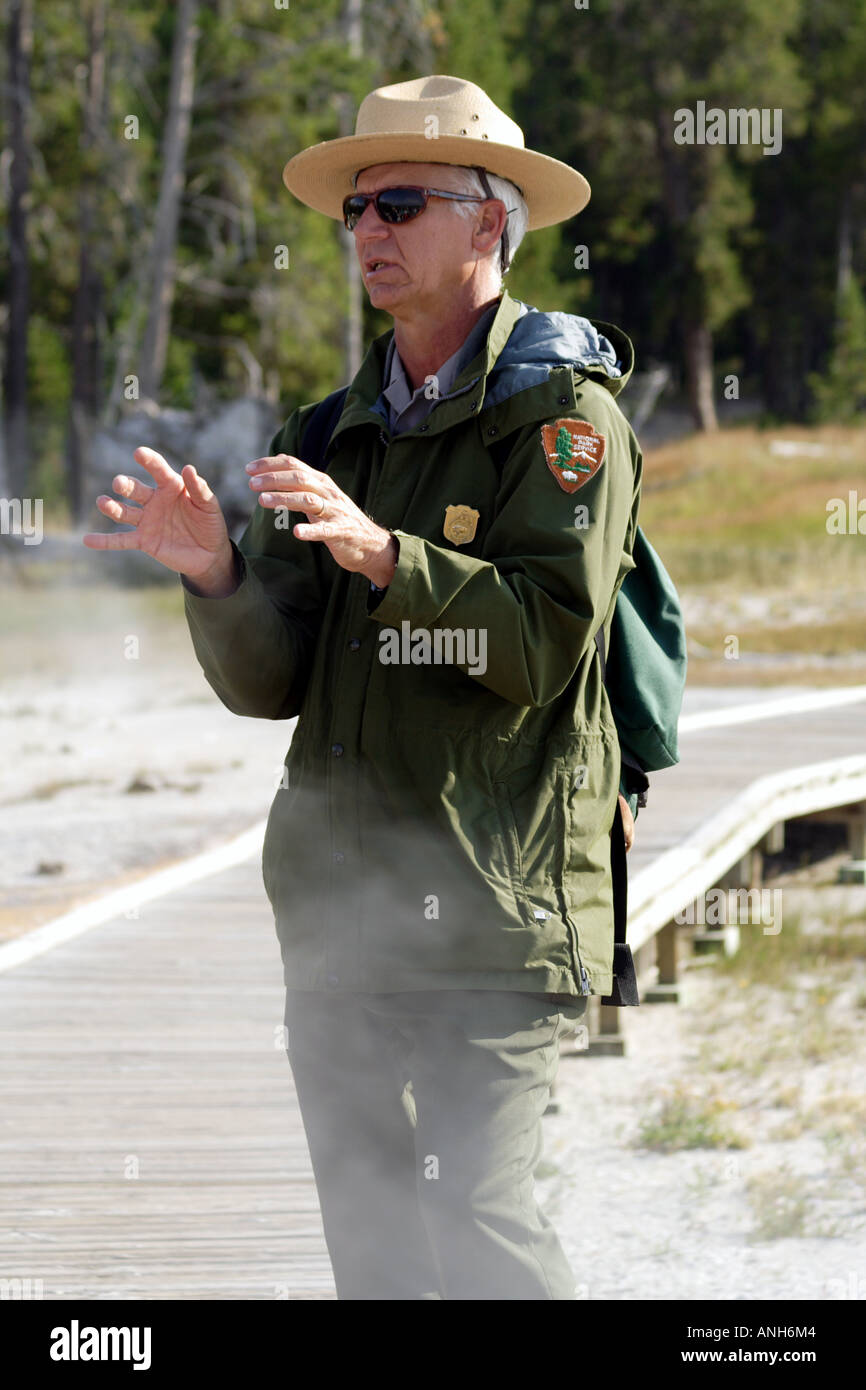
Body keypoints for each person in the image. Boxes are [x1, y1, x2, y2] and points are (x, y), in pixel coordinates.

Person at [84, 74, 643, 1300]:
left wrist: (390, 556)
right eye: (354, 210)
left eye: (399, 202)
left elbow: (546, 642)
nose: (367, 231)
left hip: (494, 913)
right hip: (343, 916)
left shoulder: (563, 423)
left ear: (489, 221)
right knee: (376, 1248)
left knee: (480, 1226)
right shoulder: (331, 429)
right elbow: (273, 683)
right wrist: (220, 577)